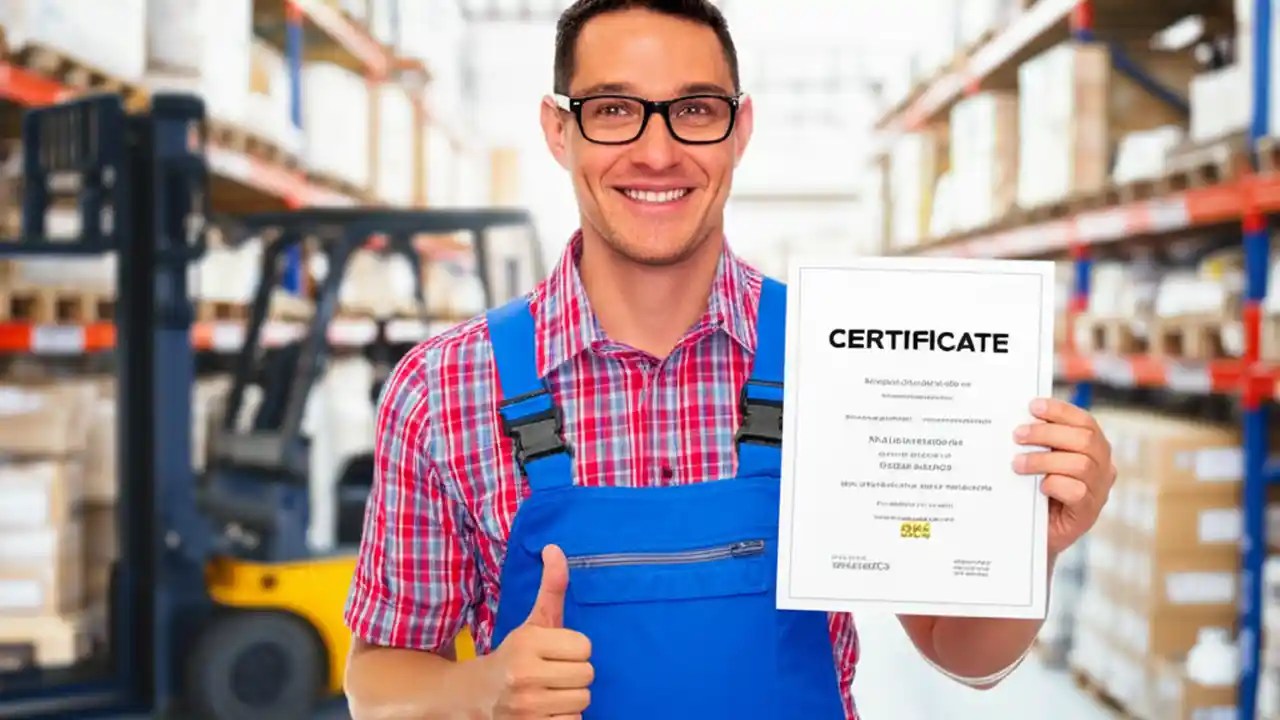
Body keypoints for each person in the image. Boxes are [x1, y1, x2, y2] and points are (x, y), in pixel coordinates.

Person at [341, 1, 1118, 718]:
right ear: (558, 130)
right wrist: (477, 688)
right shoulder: (444, 388)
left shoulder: (840, 359)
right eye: (613, 110)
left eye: (695, 111)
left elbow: (962, 654)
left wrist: (1031, 546)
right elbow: (377, 681)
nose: (656, 152)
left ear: (739, 130)